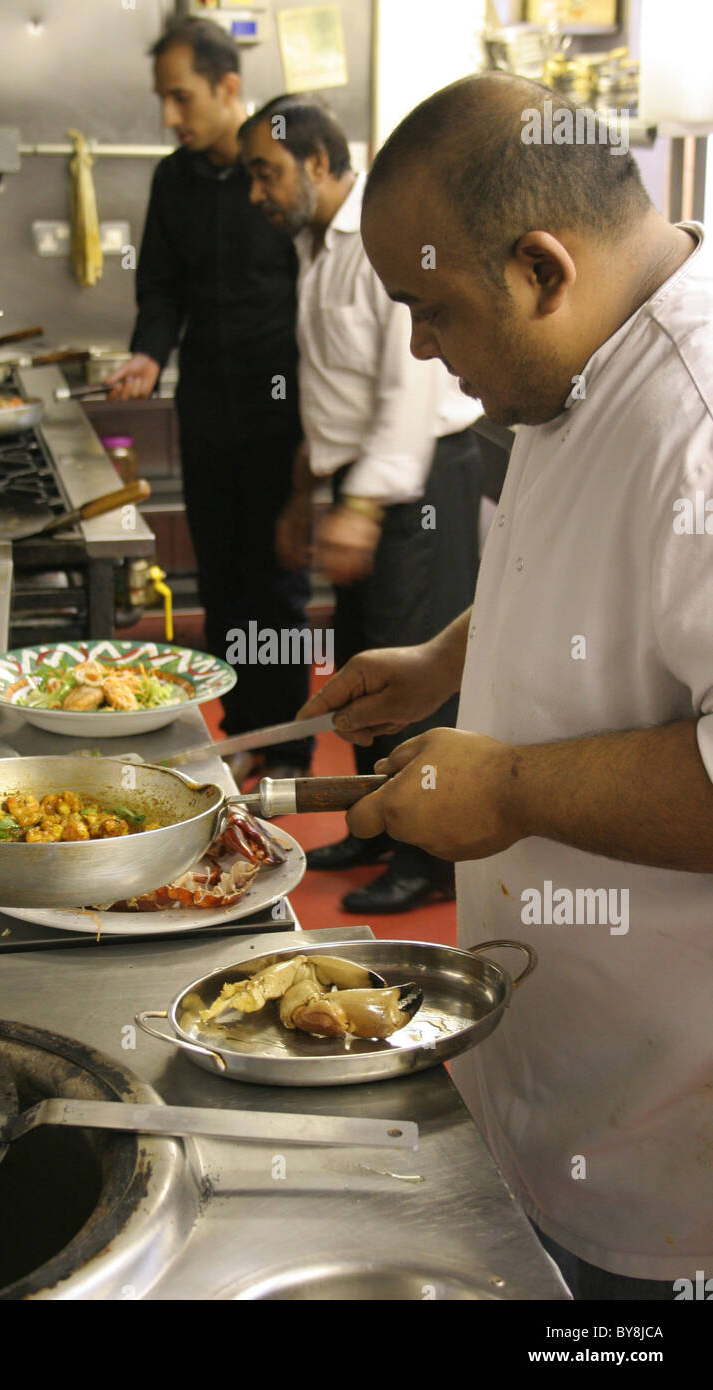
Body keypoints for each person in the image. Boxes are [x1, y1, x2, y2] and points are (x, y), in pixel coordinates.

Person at [299, 72, 713, 1298]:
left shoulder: (695, 415)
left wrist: (516, 786)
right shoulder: (571, 361)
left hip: (671, 1146)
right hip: (554, 1059)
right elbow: (590, 578)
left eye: (429, 310)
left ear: (538, 268)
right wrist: (443, 659)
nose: (419, 346)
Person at [240, 96, 483, 914]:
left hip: (414, 480)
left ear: (315, 161)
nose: (256, 193)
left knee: (417, 672)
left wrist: (365, 507)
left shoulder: (382, 234)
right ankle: (374, 825)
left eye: (265, 173)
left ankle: (430, 858)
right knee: (361, 670)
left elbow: (407, 391)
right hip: (358, 482)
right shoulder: (317, 249)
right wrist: (313, 492)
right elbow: (334, 394)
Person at [106, 17, 312, 781]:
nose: (170, 117)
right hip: (207, 410)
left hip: (282, 410)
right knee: (222, 580)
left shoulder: (284, 168)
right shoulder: (174, 179)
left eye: (181, 97)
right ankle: (245, 728)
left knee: (279, 584)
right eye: (163, 98)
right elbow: (161, 286)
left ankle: (290, 743)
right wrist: (149, 356)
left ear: (230, 87)